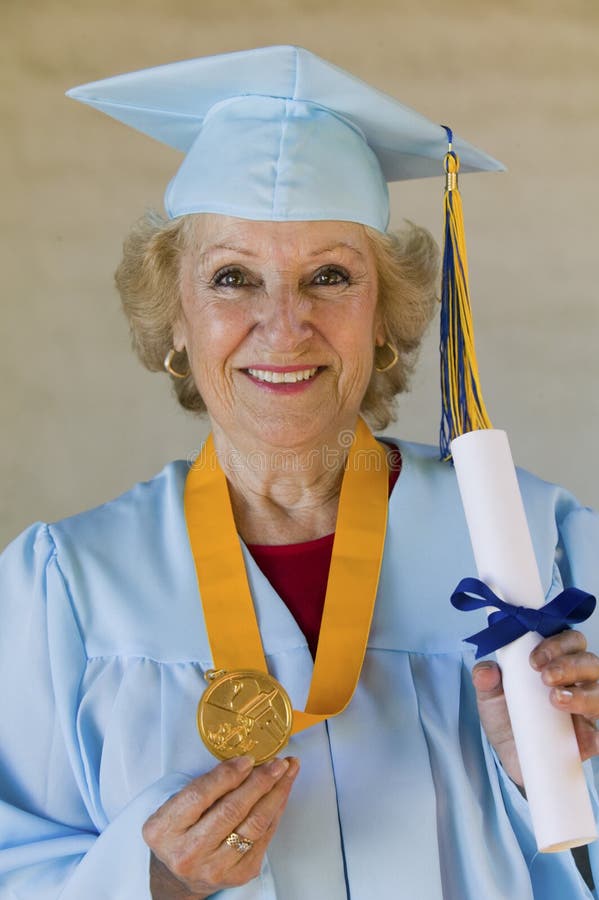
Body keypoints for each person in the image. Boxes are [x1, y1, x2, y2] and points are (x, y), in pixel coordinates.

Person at [1, 45, 599, 900]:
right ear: (173, 319)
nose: (284, 327)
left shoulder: (539, 552)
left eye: (329, 276)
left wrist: (544, 779)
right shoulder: (67, 589)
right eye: (232, 278)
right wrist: (145, 879)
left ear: (385, 317)